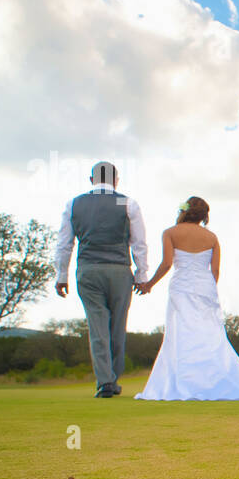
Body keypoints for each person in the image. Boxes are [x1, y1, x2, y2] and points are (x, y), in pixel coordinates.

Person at [135, 197, 239, 401]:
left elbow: (167, 263)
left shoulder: (170, 233)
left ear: (184, 211)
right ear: (204, 215)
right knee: (209, 335)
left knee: (181, 334)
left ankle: (183, 382)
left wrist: (149, 284)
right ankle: (211, 381)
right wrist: (208, 289)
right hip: (206, 287)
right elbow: (215, 270)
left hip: (181, 286)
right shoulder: (212, 237)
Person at [54, 161, 149, 398]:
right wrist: (142, 274)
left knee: (97, 328)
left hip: (88, 270)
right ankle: (113, 378)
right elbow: (139, 243)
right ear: (116, 180)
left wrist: (61, 275)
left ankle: (105, 382)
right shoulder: (126, 202)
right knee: (117, 327)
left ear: (91, 180)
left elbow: (64, 244)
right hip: (119, 270)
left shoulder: (75, 203)